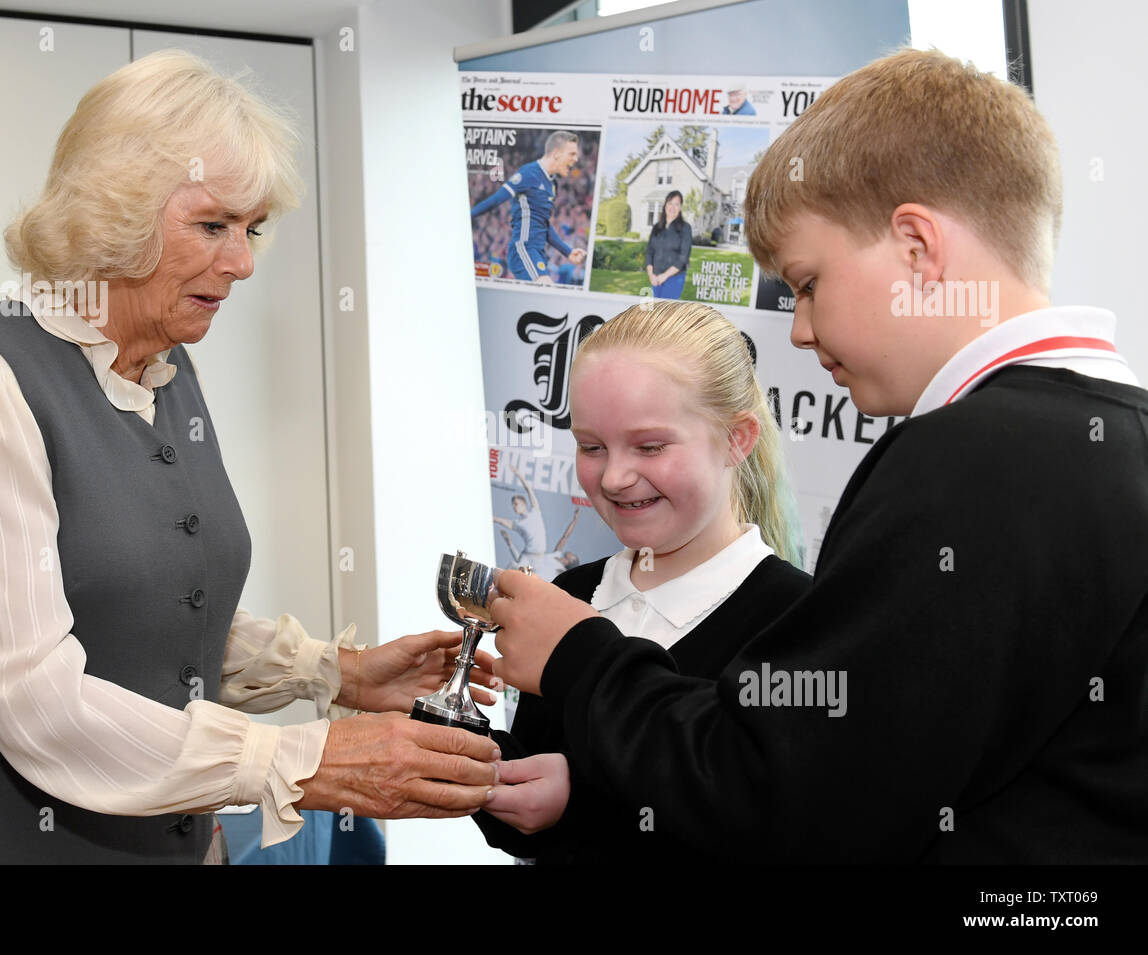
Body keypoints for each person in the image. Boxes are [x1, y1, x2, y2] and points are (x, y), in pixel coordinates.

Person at [486, 48, 1148, 863]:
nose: (799, 329)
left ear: (916, 247)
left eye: (806, 283)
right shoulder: (1112, 436)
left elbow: (786, 795)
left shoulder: (966, 459)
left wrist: (579, 657)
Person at [0, 50, 501, 865]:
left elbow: (151, 613)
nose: (244, 261)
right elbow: (39, 706)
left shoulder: (166, 365)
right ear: (113, 210)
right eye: (213, 225)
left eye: (252, 228)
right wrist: (306, 759)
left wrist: (335, 671)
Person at [476, 301, 809, 862]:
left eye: (650, 446)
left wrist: (583, 808)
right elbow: (534, 795)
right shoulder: (572, 594)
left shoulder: (798, 623)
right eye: (591, 446)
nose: (614, 476)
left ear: (737, 439)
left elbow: (774, 822)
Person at [470, 130, 588, 284]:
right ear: (557, 153)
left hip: (538, 253)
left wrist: (568, 251)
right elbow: (495, 200)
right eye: (572, 154)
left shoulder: (552, 184)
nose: (576, 159)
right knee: (546, 289)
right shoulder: (529, 173)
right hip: (523, 249)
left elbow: (543, 224)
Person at [645, 190, 692, 300]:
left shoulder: (685, 228)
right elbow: (649, 252)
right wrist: (651, 275)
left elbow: (683, 257)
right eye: (670, 203)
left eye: (676, 204)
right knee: (655, 312)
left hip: (674, 278)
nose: (672, 207)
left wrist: (665, 276)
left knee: (666, 314)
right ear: (665, 205)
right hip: (655, 277)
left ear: (680, 207)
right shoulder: (657, 227)